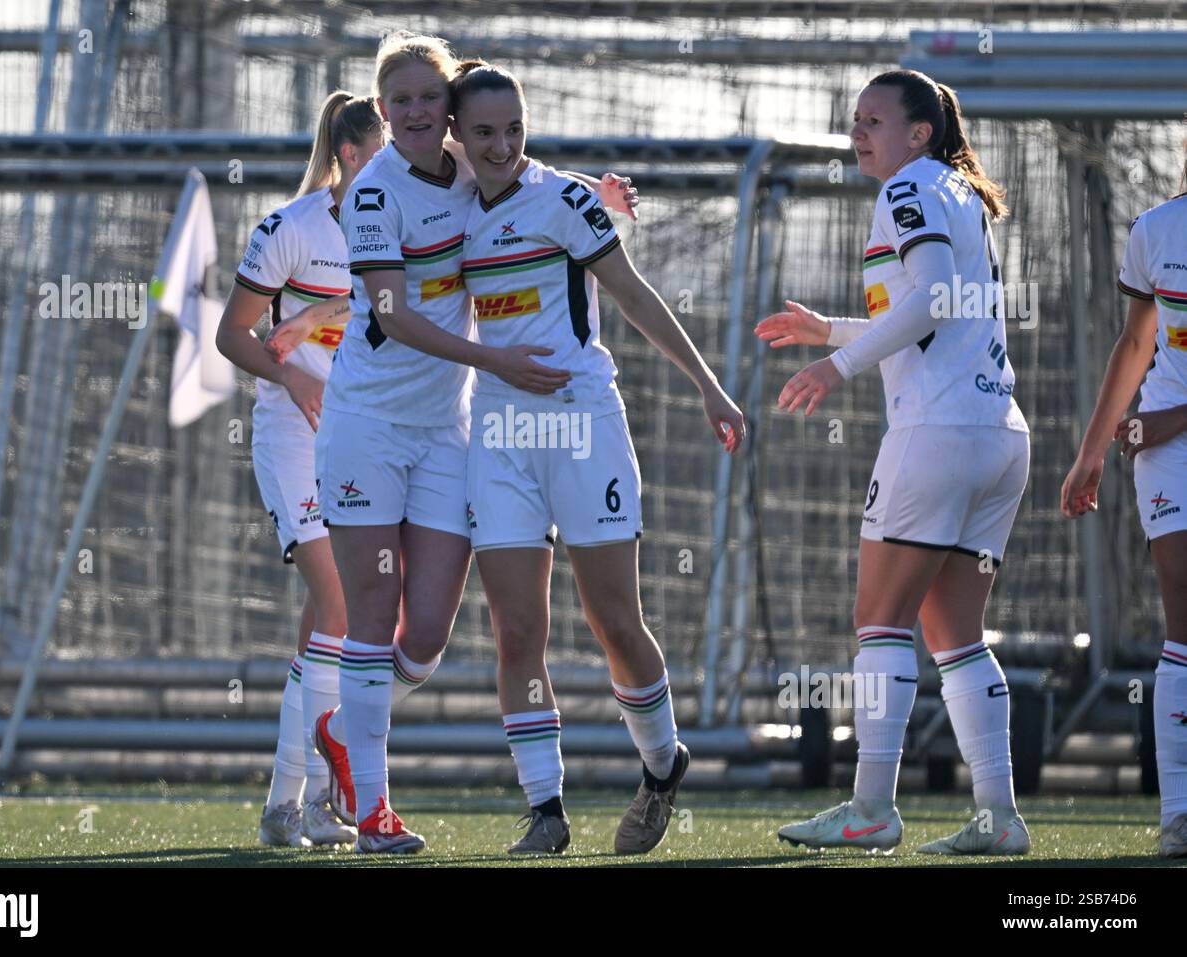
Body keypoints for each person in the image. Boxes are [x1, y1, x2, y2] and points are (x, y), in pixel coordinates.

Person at [308, 31, 640, 854]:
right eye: (402, 102)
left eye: (431, 99)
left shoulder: (468, 168)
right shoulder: (375, 192)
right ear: (382, 113)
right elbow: (390, 314)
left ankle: (345, 730)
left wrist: (599, 201)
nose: (418, 113)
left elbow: (522, 181)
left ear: (448, 113)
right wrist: (495, 358)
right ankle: (376, 812)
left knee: (425, 633)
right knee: (373, 609)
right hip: (367, 428)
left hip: (449, 429)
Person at [447, 59, 744, 855]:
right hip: (501, 435)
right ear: (454, 134)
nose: (502, 145)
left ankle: (660, 764)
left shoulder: (563, 197)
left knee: (613, 619)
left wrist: (710, 387)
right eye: (483, 132)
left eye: (514, 128)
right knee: (517, 632)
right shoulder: (441, 202)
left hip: (582, 424)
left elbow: (635, 294)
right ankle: (546, 809)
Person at [757, 70, 1032, 855]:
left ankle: (870, 808)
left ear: (919, 133)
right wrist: (831, 331)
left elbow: (932, 299)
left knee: (879, 622)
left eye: (875, 119)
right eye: (855, 119)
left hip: (935, 436)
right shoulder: (957, 191)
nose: (859, 132)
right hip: (997, 435)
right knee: (957, 636)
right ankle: (999, 817)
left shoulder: (907, 186)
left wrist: (831, 369)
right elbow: (933, 310)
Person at [216, 90, 382, 848]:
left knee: (342, 620)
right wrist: (294, 375)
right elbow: (232, 334)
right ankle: (291, 806)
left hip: (365, 436)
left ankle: (304, 803)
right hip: (293, 434)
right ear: (350, 154)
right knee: (341, 603)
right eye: (385, 144)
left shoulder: (402, 224)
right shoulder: (291, 227)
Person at [1060, 148, 1187, 858]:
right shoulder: (1157, 230)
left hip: (1172, 425)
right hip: (1168, 446)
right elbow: (1137, 340)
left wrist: (1178, 415)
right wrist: (1092, 451)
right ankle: (1179, 814)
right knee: (1183, 611)